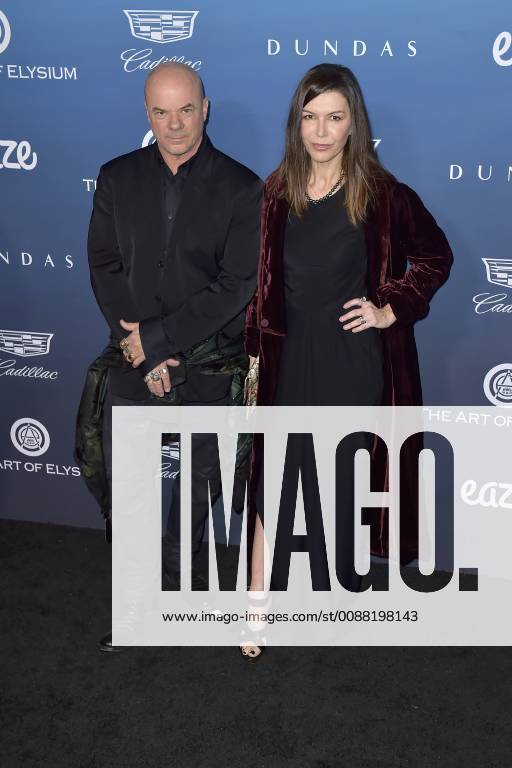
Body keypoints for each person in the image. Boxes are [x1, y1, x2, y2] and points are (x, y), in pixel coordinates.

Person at [241, 63, 453, 660]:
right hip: (287, 359)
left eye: (334, 117)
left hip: (353, 361)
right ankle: (256, 602)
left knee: (341, 482)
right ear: (296, 122)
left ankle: (335, 593)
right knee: (273, 478)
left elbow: (435, 256)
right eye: (310, 117)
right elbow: (257, 283)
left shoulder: (383, 195)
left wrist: (391, 308)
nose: (320, 131)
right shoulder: (275, 192)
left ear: (354, 122)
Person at [87, 62, 262, 651]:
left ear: (205, 108)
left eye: (186, 109)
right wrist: (143, 351)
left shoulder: (242, 187)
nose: (175, 124)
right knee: (132, 489)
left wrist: (160, 342)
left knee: (198, 490)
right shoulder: (116, 177)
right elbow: (105, 266)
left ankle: (179, 593)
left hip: (209, 364)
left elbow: (236, 284)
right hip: (133, 359)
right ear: (147, 113)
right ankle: (136, 608)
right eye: (161, 112)